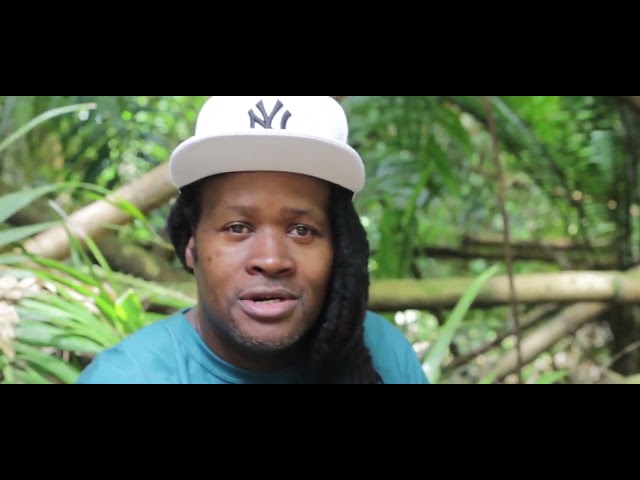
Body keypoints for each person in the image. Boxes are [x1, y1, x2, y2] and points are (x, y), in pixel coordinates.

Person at [77, 96, 430, 384]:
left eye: (301, 230)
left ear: (339, 248)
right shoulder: (127, 376)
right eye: (237, 228)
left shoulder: (385, 356)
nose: (272, 260)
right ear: (191, 245)